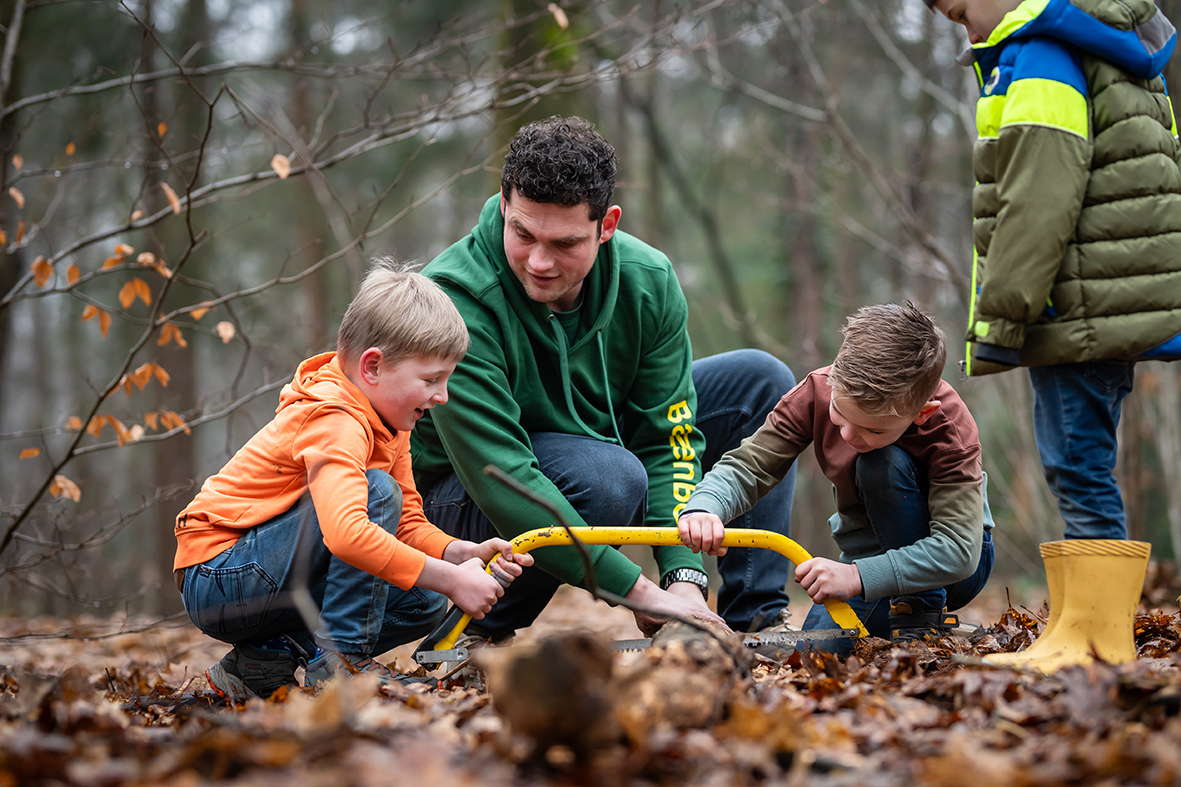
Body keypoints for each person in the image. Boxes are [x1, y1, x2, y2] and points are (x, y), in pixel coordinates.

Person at [411, 115, 798, 641]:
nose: (540, 262)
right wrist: (640, 592)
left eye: (566, 243)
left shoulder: (649, 281)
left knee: (759, 382)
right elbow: (501, 477)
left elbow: (669, 438)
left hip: (594, 449)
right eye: (523, 233)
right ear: (504, 203)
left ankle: (749, 622)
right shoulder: (452, 300)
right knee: (610, 476)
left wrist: (683, 581)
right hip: (459, 511)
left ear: (607, 225)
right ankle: (475, 628)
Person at [926, 0, 1179, 669]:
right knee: (1076, 460)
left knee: (1077, 465)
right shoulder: (1090, 47)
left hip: (1069, 304)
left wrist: (1005, 312)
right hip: (1089, 297)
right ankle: (1076, 625)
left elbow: (1039, 198)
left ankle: (1097, 639)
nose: (965, 30)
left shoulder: (1041, 57)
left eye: (958, 13)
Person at [173, 261, 533, 702]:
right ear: (373, 367)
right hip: (219, 575)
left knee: (422, 600)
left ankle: (263, 660)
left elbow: (405, 522)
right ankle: (341, 661)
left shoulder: (389, 421)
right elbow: (346, 534)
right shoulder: (334, 418)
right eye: (431, 380)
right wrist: (452, 579)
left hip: (266, 576)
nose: (442, 396)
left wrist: (458, 554)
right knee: (376, 493)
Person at [678, 303, 995, 652]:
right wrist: (705, 507)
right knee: (815, 651)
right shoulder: (816, 391)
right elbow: (750, 465)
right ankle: (895, 616)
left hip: (954, 571)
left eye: (871, 429)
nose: (847, 436)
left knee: (879, 462)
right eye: (839, 414)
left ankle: (920, 613)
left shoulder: (949, 428)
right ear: (834, 380)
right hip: (870, 560)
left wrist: (857, 577)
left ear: (922, 414)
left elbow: (959, 551)